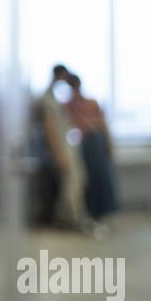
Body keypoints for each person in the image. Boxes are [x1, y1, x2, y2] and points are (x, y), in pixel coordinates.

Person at [39, 64, 88, 228]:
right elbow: (49, 128)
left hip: (66, 145)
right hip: (60, 148)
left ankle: (74, 217)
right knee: (72, 182)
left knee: (77, 180)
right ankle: (70, 219)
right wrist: (58, 153)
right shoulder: (47, 99)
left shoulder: (57, 97)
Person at [64, 72, 118, 220]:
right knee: (89, 179)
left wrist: (109, 145)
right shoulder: (68, 106)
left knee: (102, 177)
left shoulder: (91, 102)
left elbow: (103, 125)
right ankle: (92, 212)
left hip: (97, 141)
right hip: (84, 144)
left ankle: (103, 212)